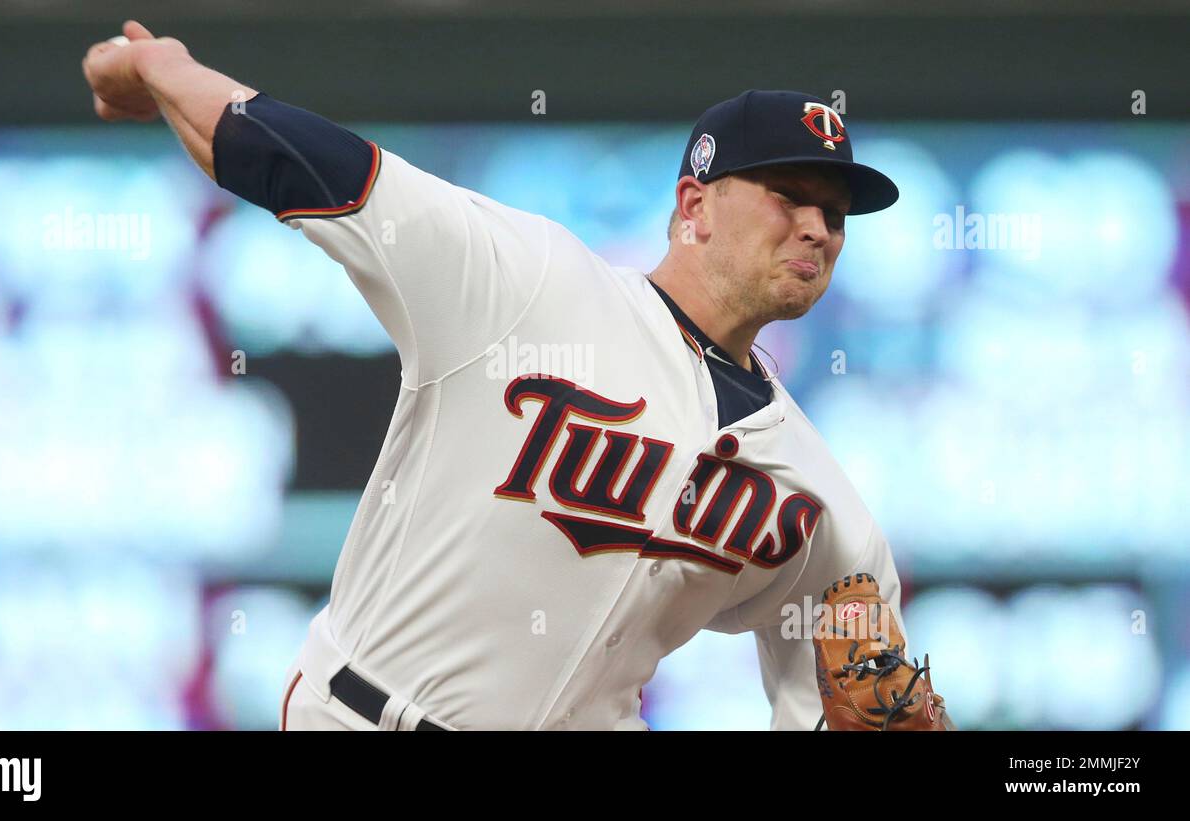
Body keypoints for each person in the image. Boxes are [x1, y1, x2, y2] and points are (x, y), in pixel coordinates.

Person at [83, 20, 910, 731]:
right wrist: (164, 71)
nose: (818, 227)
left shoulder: (821, 502)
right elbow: (301, 159)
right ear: (692, 206)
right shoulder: (531, 283)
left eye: (835, 214)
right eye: (787, 193)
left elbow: (852, 707)